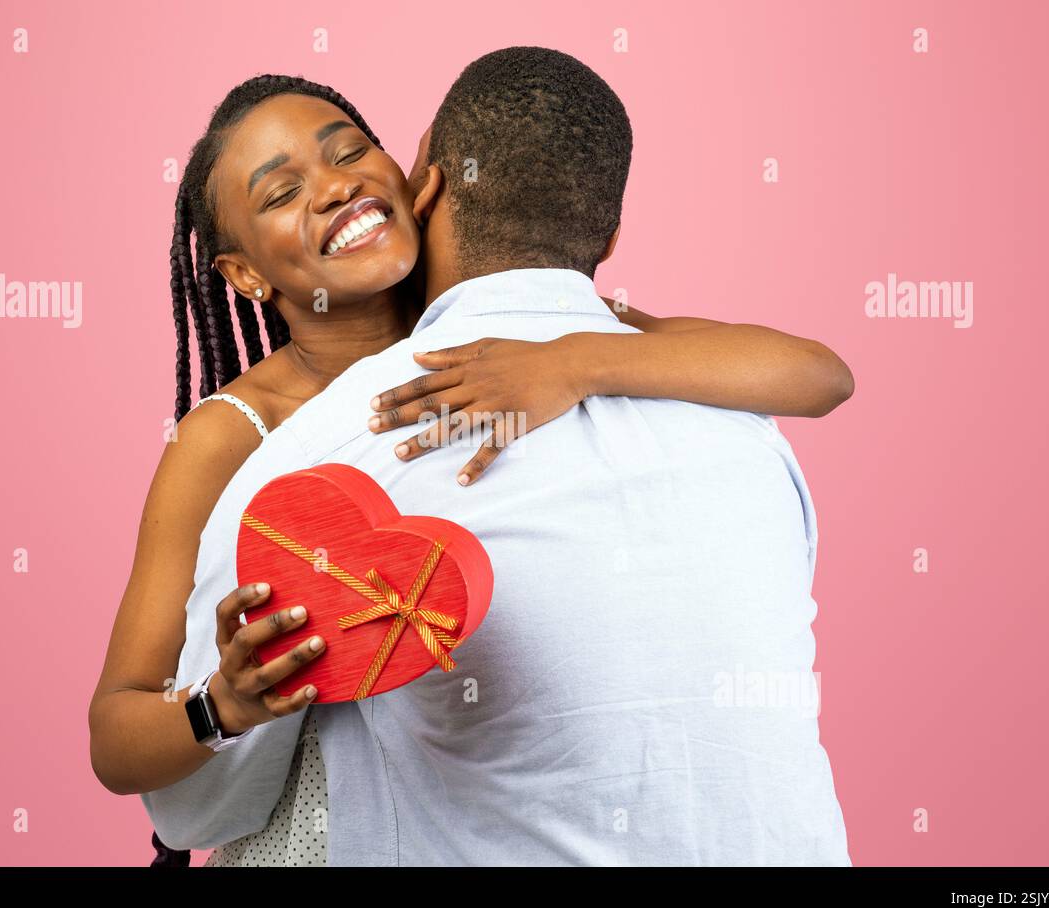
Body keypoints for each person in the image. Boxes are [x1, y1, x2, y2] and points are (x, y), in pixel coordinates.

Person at [115, 46, 852, 866]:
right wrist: (221, 704)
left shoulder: (549, 345)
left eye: (350, 149)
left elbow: (817, 371)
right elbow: (123, 727)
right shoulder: (247, 442)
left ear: (418, 180)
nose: (331, 185)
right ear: (245, 273)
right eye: (283, 193)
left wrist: (578, 361)